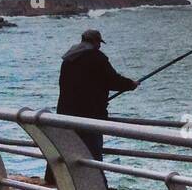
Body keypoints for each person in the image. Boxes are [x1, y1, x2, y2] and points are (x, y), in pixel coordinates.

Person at [56, 29, 138, 161]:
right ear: (94, 41)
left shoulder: (68, 58)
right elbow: (113, 80)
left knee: (67, 149)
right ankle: (95, 180)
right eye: (99, 43)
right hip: (90, 114)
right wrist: (130, 84)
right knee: (92, 153)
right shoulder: (97, 57)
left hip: (66, 112)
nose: (99, 46)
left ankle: (56, 178)